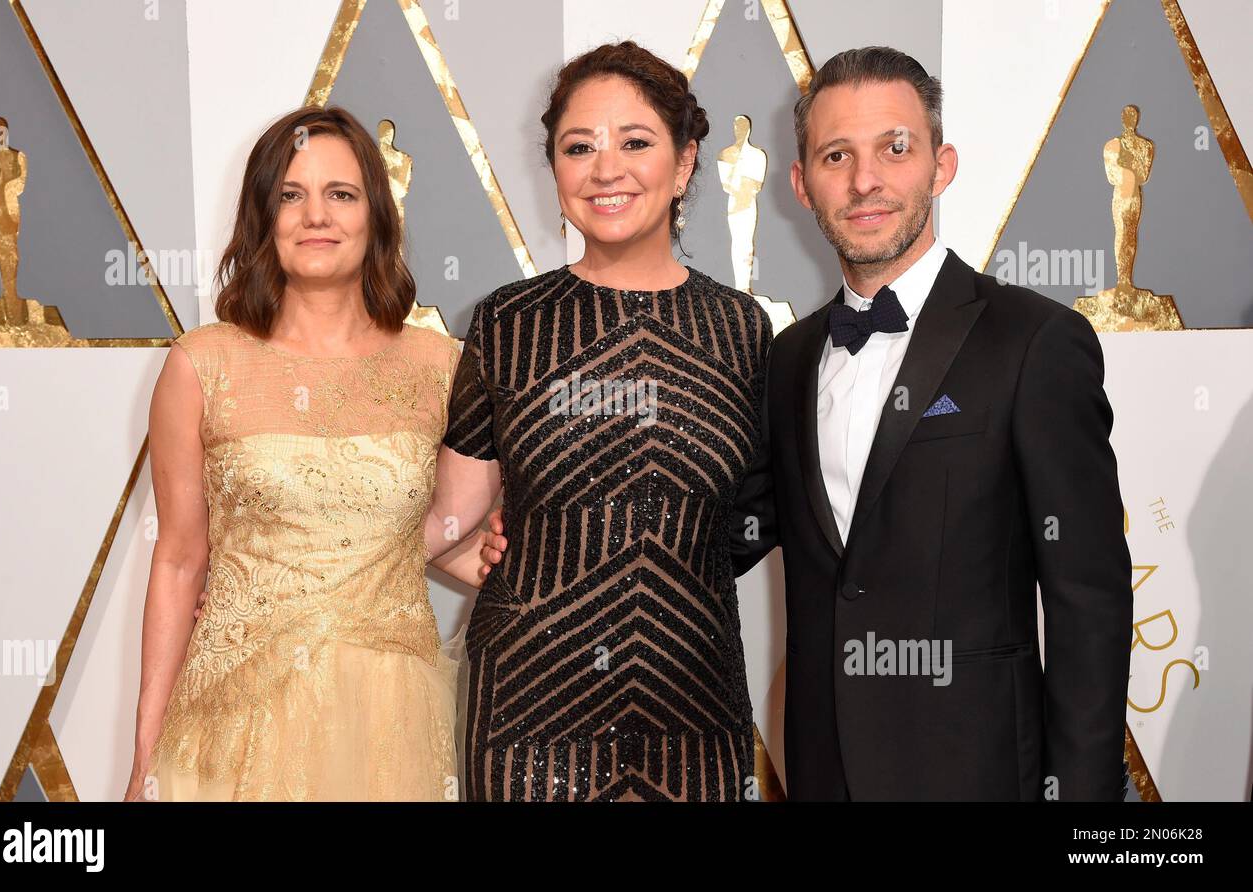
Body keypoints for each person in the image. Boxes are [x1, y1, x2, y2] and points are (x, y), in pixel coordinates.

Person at [728, 47, 1132, 800]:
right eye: (835, 155)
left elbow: (1089, 600)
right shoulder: (787, 358)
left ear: (942, 165)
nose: (865, 180)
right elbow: (726, 533)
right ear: (800, 184)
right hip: (823, 770)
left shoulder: (1033, 342)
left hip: (978, 772)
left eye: (895, 148)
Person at [432, 41, 773, 801]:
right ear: (554, 169)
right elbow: (443, 523)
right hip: (529, 711)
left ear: (685, 163)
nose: (605, 168)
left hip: (695, 709)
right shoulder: (508, 324)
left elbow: (751, 523)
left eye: (636, 142)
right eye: (578, 147)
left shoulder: (741, 329)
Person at [124, 106, 495, 802]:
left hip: (390, 724)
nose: (315, 215)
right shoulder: (202, 365)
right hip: (232, 724)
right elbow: (178, 559)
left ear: (378, 217)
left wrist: (496, 553)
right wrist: (144, 757)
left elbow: (437, 529)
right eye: (290, 195)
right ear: (262, 217)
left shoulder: (443, 367)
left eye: (341, 194)